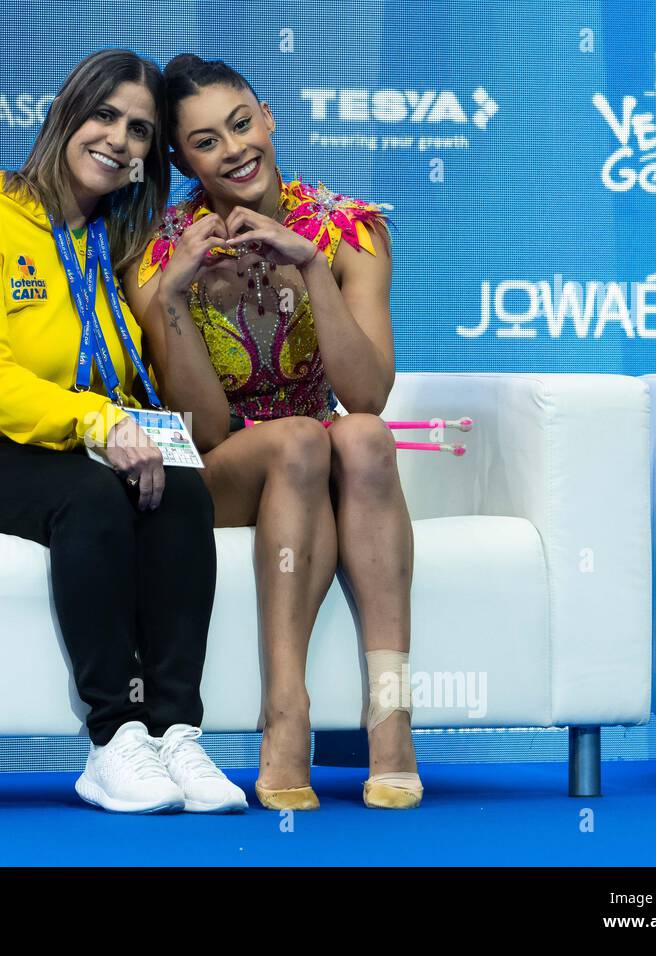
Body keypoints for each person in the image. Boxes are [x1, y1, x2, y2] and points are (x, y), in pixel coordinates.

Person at [0, 49, 246, 814]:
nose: (120, 140)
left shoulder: (118, 239)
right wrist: (97, 420)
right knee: (91, 497)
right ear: (66, 114)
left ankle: (175, 733)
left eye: (142, 131)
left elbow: (141, 370)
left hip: (75, 444)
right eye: (105, 116)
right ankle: (113, 740)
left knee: (183, 489)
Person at [122, 54, 421, 810]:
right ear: (181, 158)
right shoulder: (159, 255)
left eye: (241, 123)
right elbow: (202, 427)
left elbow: (368, 393)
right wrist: (179, 300)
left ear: (268, 117)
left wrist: (313, 269)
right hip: (221, 469)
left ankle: (392, 711)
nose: (234, 149)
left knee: (362, 439)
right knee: (298, 439)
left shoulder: (348, 229)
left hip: (322, 457)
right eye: (206, 141)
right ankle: (285, 711)